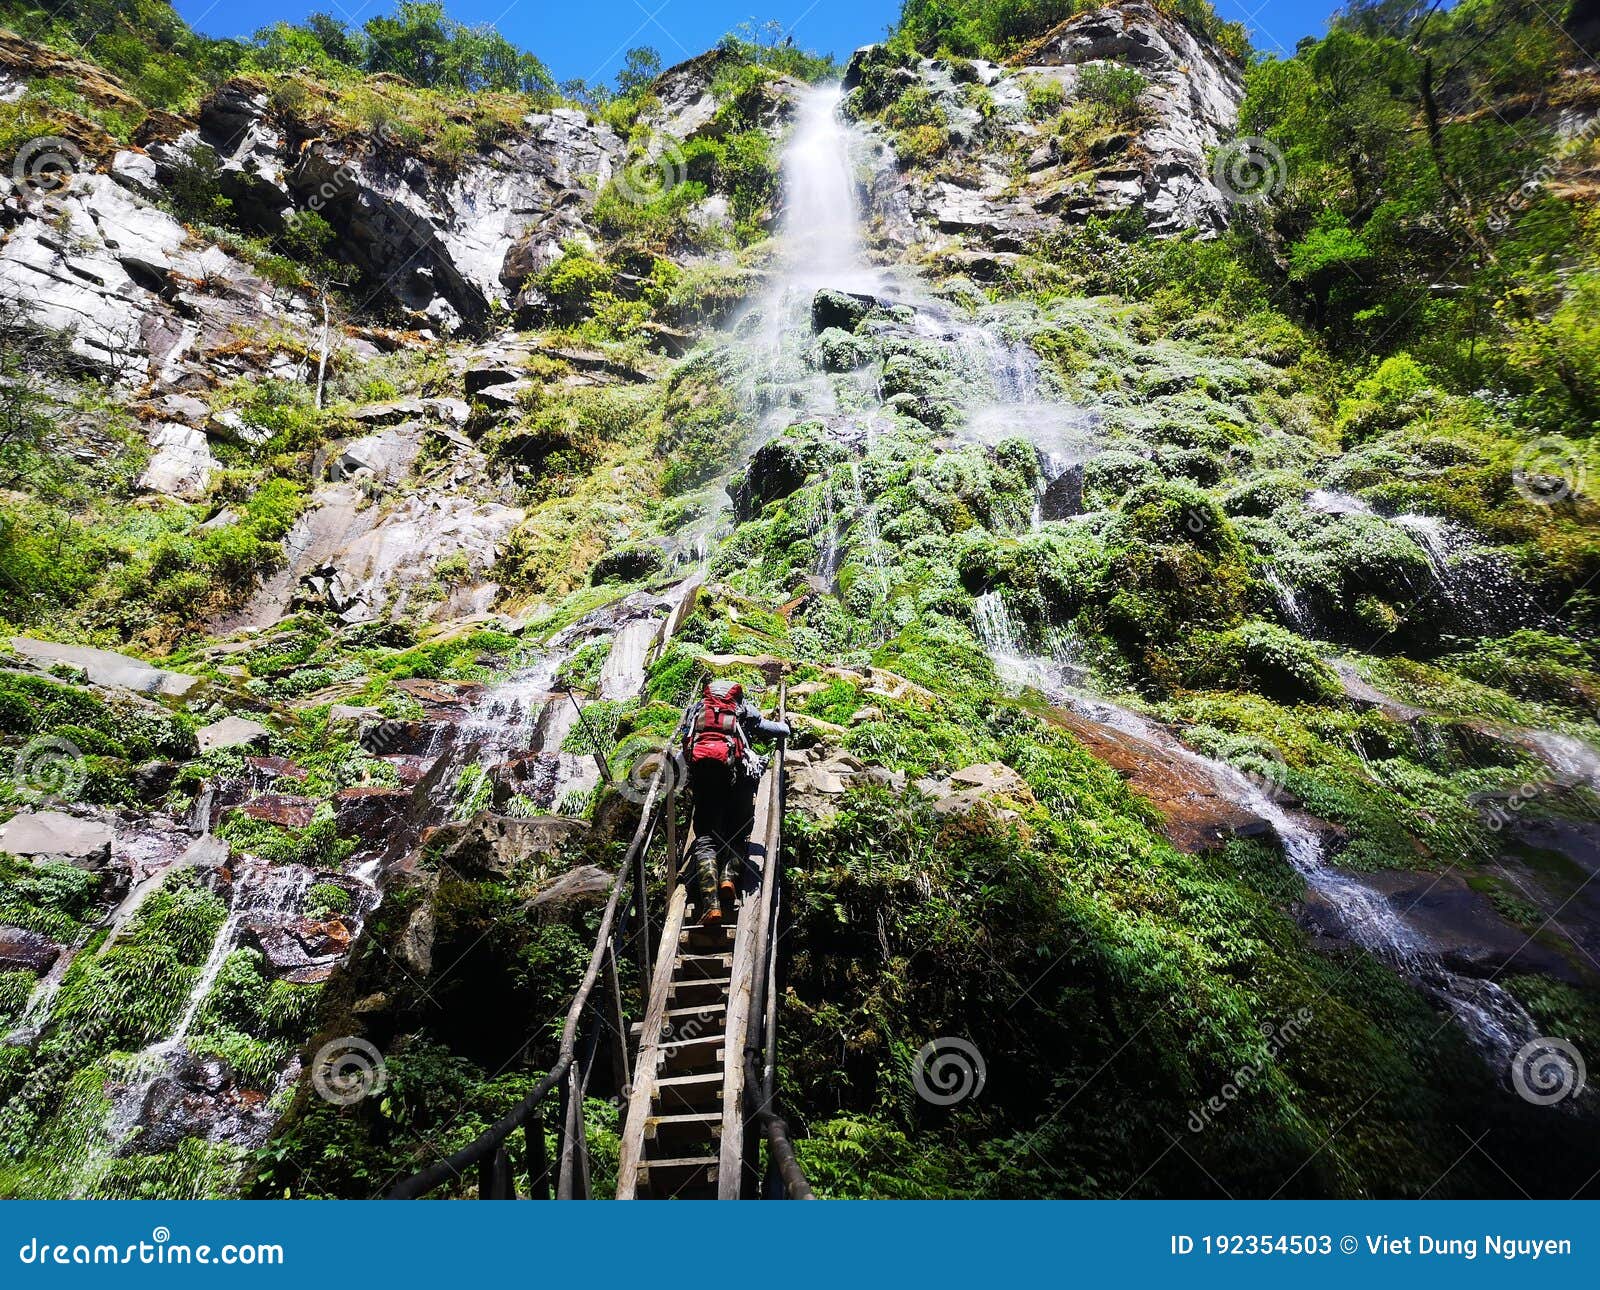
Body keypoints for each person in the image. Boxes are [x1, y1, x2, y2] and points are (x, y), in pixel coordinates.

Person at [680, 678, 790, 927]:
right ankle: (729, 877)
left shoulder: (696, 709)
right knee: (740, 831)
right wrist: (786, 727)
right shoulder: (742, 709)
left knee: (706, 837)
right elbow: (772, 729)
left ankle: (711, 905)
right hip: (737, 778)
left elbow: (684, 741)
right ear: (735, 694)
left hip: (705, 780)